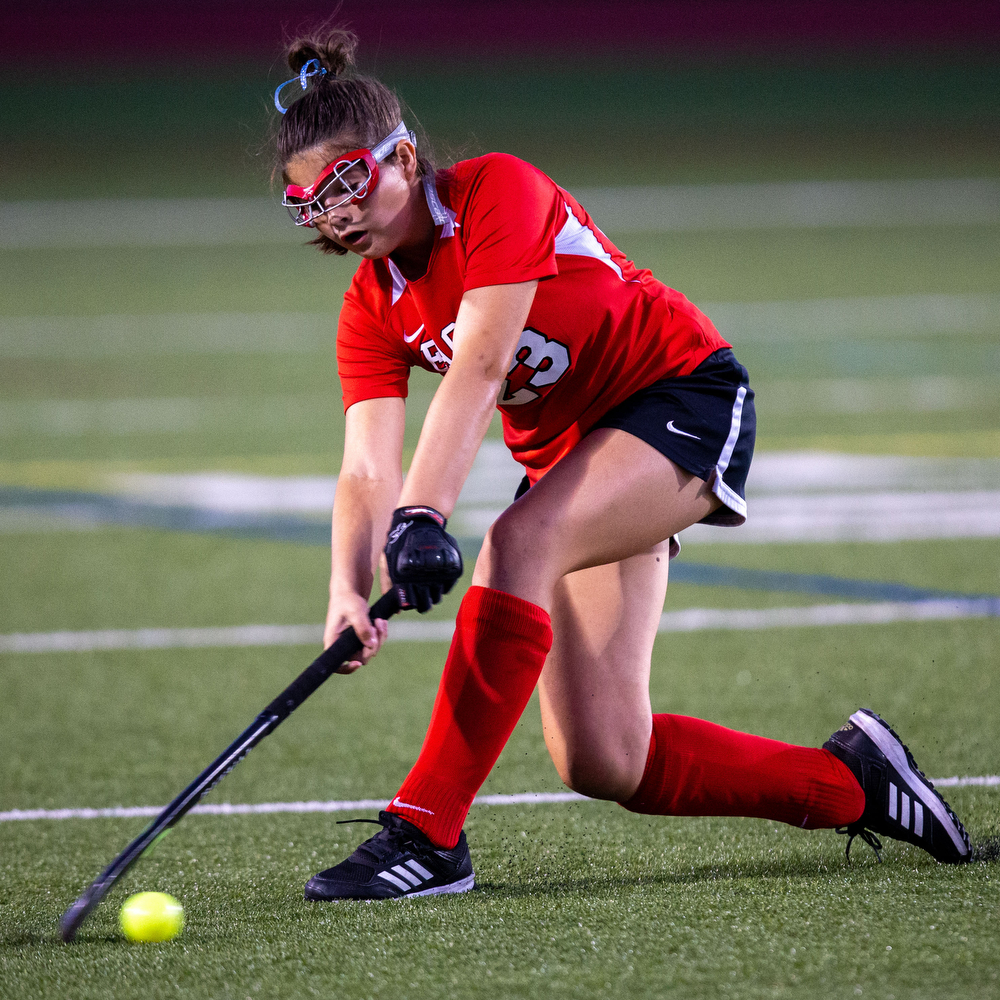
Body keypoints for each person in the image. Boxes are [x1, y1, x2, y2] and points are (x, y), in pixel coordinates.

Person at [271, 27, 971, 900]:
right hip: (578, 458)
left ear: (403, 158)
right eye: (314, 203)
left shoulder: (498, 190)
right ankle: (853, 784)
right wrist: (347, 587)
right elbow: (365, 471)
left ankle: (425, 833)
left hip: (679, 398)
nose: (337, 213)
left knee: (518, 544)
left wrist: (423, 518)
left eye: (349, 183)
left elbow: (484, 365)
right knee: (604, 757)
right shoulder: (371, 309)